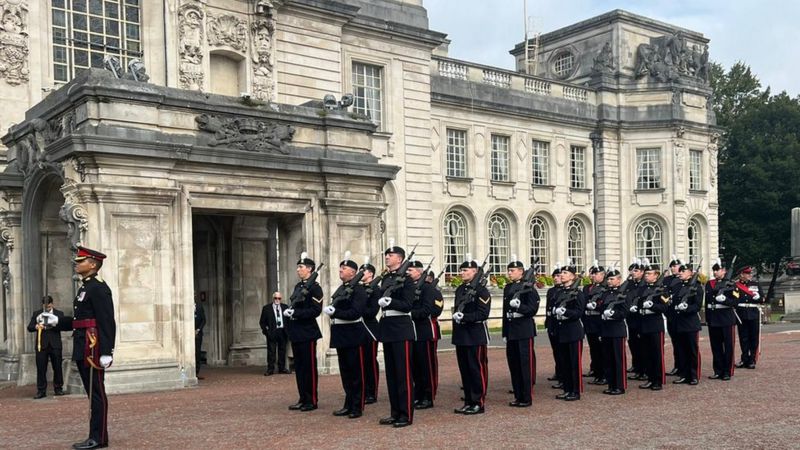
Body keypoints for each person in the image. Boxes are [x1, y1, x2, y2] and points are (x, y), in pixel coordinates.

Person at [42, 246, 116, 450]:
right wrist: (56, 320)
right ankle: (98, 435)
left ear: (92, 264)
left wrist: (106, 351)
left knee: (96, 394)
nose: (77, 264)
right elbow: (79, 321)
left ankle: (98, 438)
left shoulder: (98, 288)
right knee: (92, 394)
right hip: (83, 343)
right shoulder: (85, 287)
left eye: (81, 261)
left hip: (93, 347)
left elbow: (107, 321)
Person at [377, 242, 416, 428]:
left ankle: (406, 414)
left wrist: (390, 301)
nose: (386, 257)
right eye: (386, 255)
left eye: (390, 255)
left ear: (399, 259)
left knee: (403, 374)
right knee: (392, 375)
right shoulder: (386, 279)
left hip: (401, 327)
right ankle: (395, 412)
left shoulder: (407, 280)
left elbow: (408, 305)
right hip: (388, 327)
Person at [324, 253, 368, 419]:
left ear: (353, 272)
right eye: (340, 268)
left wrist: (336, 312)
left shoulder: (359, 289)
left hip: (353, 333)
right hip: (341, 334)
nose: (341, 271)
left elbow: (355, 312)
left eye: (344, 268)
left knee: (356, 372)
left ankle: (357, 406)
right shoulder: (342, 288)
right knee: (346, 373)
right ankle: (348, 403)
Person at [285, 252, 323, 412]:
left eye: (301, 267)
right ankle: (302, 397)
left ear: (310, 269)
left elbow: (315, 310)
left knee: (309, 367)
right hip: (297, 331)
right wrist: (289, 312)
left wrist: (297, 314)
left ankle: (311, 399)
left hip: (308, 332)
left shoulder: (315, 288)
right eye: (298, 267)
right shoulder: (298, 287)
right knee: (299, 367)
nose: (298, 270)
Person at [452, 256, 491, 414]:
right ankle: (468, 400)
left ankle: (478, 402)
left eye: (465, 270)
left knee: (476, 369)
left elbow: (483, 313)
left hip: (475, 335)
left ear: (475, 272)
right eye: (461, 270)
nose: (462, 273)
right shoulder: (461, 289)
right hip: (461, 335)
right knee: (465, 370)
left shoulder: (482, 291)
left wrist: (465, 317)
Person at [502, 256, 540, 407]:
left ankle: (526, 397)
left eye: (512, 271)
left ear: (521, 272)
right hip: (511, 330)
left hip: (524, 330)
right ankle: (518, 395)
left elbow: (532, 309)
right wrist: (505, 332)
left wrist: (519, 307)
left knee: (525, 364)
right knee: (514, 365)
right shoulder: (508, 287)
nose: (509, 273)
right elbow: (505, 313)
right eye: (509, 270)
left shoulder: (529, 287)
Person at [552, 262, 586, 401]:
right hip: (562, 331)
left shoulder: (578, 293)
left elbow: (579, 312)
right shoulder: (560, 292)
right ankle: (567, 389)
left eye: (565, 273)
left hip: (573, 331)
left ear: (572, 276)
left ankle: (575, 391)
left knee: (574, 363)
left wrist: (566, 312)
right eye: (561, 273)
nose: (562, 275)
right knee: (564, 362)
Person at [634, 262, 668, 391]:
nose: (646, 276)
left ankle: (657, 380)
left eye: (649, 274)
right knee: (646, 353)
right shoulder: (642, 289)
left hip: (655, 324)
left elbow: (665, 307)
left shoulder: (662, 289)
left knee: (656, 354)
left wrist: (652, 306)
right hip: (643, 323)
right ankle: (650, 378)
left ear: (656, 275)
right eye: (646, 273)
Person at [409, 260, 438, 409]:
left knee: (426, 366)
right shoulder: (409, 287)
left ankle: (428, 396)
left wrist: (409, 314)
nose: (408, 272)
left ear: (420, 272)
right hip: (412, 332)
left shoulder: (427, 288)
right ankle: (418, 394)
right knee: (415, 367)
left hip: (424, 331)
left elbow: (427, 310)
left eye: (411, 270)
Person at [705, 259, 739, 380]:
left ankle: (727, 371)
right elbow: (707, 303)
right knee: (716, 346)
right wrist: (708, 319)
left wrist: (724, 299)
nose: (715, 272)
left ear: (724, 271)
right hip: (714, 318)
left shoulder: (731, 284)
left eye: (717, 270)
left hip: (726, 318)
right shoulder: (710, 284)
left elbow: (735, 302)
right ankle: (718, 370)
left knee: (729, 346)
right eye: (714, 270)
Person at [27, 295, 66, 399]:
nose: (47, 308)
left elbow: (63, 326)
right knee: (41, 368)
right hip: (41, 345)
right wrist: (36, 326)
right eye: (45, 306)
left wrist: (54, 323)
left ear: (52, 304)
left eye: (48, 306)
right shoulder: (37, 314)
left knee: (57, 367)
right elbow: (29, 327)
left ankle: (58, 388)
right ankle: (41, 390)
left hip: (55, 344)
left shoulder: (59, 314)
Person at [670, 262, 702, 385]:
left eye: (683, 271)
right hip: (679, 322)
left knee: (692, 350)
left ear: (690, 273)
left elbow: (697, 306)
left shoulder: (696, 287)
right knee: (681, 350)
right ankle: (683, 374)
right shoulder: (677, 286)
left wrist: (686, 308)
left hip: (690, 323)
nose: (680, 273)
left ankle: (694, 375)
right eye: (680, 271)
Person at [599, 267, 628, 395]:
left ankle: (620, 385)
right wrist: (603, 313)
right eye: (608, 279)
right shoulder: (605, 293)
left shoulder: (623, 293)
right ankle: (611, 384)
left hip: (617, 329)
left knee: (618, 359)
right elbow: (601, 307)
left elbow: (624, 312)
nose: (609, 281)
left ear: (619, 280)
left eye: (612, 279)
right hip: (606, 330)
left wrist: (613, 313)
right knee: (608, 359)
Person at [359, 260, 381, 404]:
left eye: (364, 271)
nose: (361, 273)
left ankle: (371, 392)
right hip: (358, 328)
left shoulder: (376, 290)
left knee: (370, 361)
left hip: (370, 327)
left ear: (371, 274)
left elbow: (373, 310)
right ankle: (362, 390)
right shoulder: (359, 288)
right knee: (360, 361)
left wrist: (357, 310)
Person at [582, 262, 606, 385]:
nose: (593, 276)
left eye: (596, 274)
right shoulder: (587, 288)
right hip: (589, 321)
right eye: (592, 274)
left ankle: (603, 374)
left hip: (599, 321)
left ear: (602, 275)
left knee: (602, 349)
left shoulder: (605, 288)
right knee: (594, 349)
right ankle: (596, 371)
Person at [735, 266, 763, 369]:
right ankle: (744, 358)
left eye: (750, 273)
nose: (750, 275)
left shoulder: (755, 285)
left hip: (753, 313)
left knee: (753, 338)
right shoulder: (736, 285)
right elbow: (735, 298)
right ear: (742, 274)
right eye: (747, 273)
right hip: (741, 313)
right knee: (743, 338)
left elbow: (762, 299)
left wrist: (758, 298)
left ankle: (752, 360)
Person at [624, 260, 646, 381]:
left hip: (641, 318)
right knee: (634, 344)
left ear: (642, 272)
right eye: (632, 270)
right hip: (631, 319)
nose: (633, 273)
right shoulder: (629, 284)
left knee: (643, 346)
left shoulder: (644, 284)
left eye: (636, 271)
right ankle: (637, 368)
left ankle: (645, 370)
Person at [259, 291, 289, 375]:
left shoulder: (285, 307)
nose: (277, 300)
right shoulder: (266, 308)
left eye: (279, 298)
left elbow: (289, 320)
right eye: (276, 298)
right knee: (271, 351)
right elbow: (262, 322)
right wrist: (266, 332)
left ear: (281, 299)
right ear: (273, 298)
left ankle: (281, 368)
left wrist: (288, 331)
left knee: (282, 350)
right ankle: (270, 369)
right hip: (272, 332)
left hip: (282, 331)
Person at [664, 256, 684, 377]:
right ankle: (678, 366)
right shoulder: (666, 280)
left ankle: (683, 367)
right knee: (675, 343)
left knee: (682, 343)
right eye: (671, 266)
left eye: (675, 266)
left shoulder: (682, 281)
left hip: (680, 314)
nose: (673, 268)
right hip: (670, 313)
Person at [545, 264, 563, 385]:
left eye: (558, 275)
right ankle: (558, 372)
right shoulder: (551, 291)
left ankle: (563, 376)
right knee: (556, 350)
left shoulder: (565, 290)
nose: (556, 278)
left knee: (562, 352)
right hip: (552, 323)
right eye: (554, 276)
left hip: (560, 323)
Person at [194, 294, 206, 380]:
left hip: (197, 334)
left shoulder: (199, 306)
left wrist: (198, 330)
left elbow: (204, 320)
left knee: (197, 353)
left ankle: (196, 372)